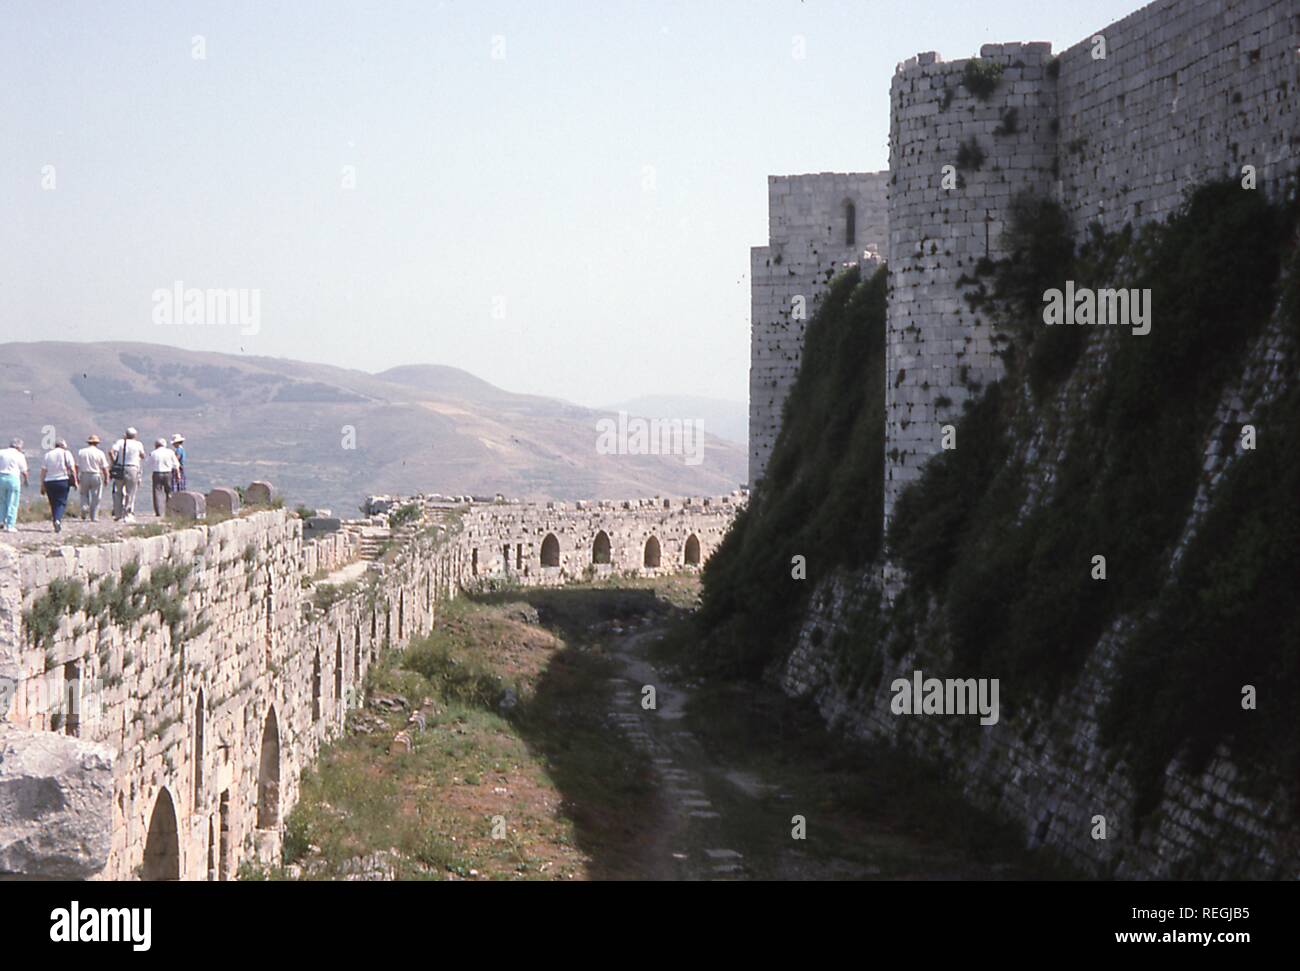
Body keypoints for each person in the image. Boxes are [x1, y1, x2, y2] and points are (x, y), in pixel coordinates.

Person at [40, 439, 78, 533]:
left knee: (53, 502)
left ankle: (55, 519)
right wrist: (75, 481)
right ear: (63, 446)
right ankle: (57, 520)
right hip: (62, 480)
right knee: (61, 502)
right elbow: (72, 468)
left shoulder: (48, 455)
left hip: (49, 481)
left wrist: (42, 484)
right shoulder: (66, 453)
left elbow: (43, 471)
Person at [110, 427, 147, 522]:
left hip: (120, 468)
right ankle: (128, 513)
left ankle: (118, 514)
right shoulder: (138, 444)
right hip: (132, 468)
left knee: (118, 491)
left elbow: (111, 451)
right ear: (135, 435)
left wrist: (114, 461)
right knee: (130, 492)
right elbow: (143, 455)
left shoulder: (120, 442)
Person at [77, 434, 110, 521]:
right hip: (95, 475)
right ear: (97, 443)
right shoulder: (100, 453)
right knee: (96, 496)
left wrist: (76, 477)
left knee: (83, 494)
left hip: (84, 474)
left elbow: (77, 465)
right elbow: (104, 467)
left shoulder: (81, 452)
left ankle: (84, 507)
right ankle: (94, 516)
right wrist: (107, 477)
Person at [0, 438, 29, 531]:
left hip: (1, 477)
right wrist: (26, 480)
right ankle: (10, 525)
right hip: (13, 478)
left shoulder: (2, 452)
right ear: (19, 447)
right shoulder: (19, 455)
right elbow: (24, 471)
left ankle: (1, 521)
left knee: (2, 501)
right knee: (12, 502)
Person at [149, 437, 178, 516]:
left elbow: (149, 463)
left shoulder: (153, 453)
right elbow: (176, 464)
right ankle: (169, 510)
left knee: (157, 492)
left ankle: (158, 512)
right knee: (169, 492)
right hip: (168, 473)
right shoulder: (170, 452)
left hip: (157, 473)